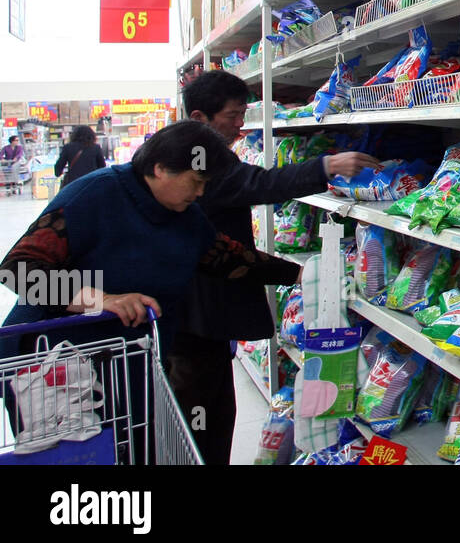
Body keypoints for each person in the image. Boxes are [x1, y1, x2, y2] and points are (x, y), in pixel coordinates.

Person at [0, 121, 302, 460]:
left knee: (131, 449)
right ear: (160, 169)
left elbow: (227, 258)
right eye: (196, 181)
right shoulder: (96, 195)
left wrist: (300, 274)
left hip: (126, 362)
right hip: (56, 370)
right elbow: (18, 270)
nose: (201, 193)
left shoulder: (185, 216)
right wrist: (102, 301)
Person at [169, 70, 382, 465]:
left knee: (213, 414)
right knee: (198, 422)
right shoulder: (194, 160)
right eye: (233, 115)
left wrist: (295, 273)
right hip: (193, 320)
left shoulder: (198, 150)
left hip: (202, 319)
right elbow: (258, 185)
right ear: (199, 117)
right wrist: (326, 166)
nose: (240, 124)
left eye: (243, 113)